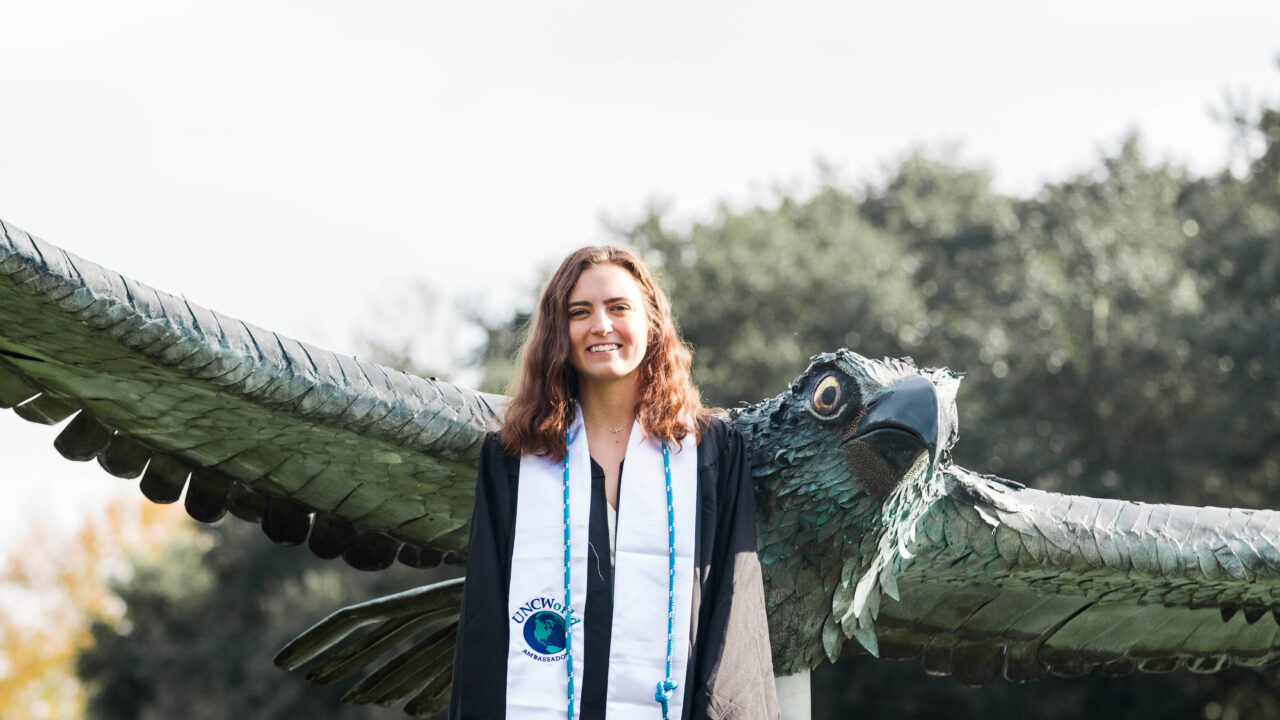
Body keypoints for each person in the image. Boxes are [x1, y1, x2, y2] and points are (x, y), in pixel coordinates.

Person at [450, 246, 778, 720]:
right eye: (579, 312)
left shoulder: (709, 452)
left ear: (652, 322)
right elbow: (485, 619)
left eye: (619, 307)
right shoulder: (515, 458)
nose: (601, 326)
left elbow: (733, 611)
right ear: (558, 334)